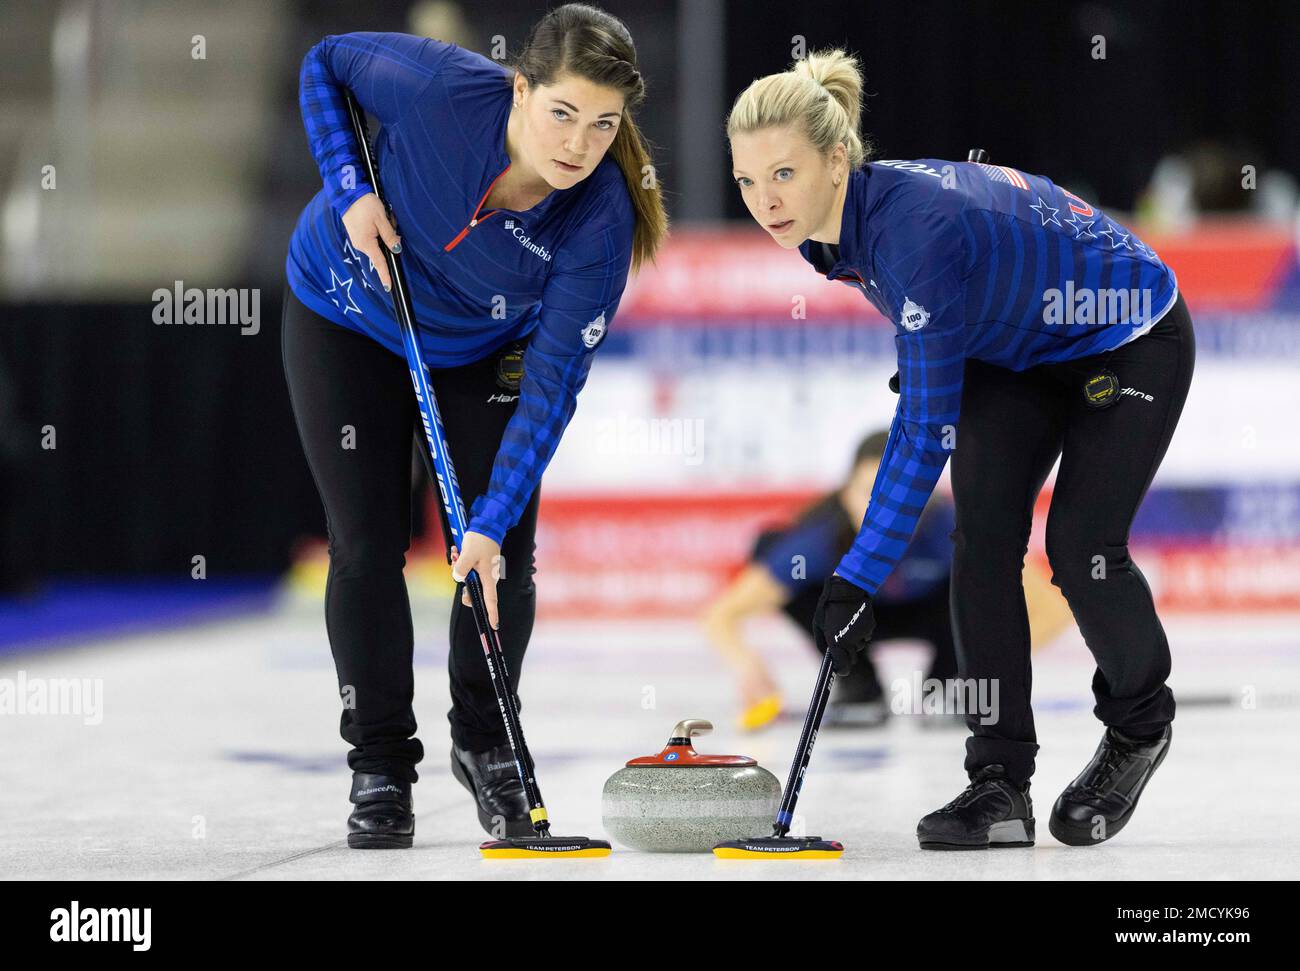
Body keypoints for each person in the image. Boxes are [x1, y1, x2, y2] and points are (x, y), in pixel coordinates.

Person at [726, 50, 1194, 849]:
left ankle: (1138, 726)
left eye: (783, 175)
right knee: (980, 544)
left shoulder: (916, 233)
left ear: (838, 161)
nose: (765, 201)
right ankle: (999, 782)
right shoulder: (832, 227)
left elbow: (924, 435)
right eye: (746, 182)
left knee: (1081, 546)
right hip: (1012, 348)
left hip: (1126, 333)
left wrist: (856, 576)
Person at [283, 4, 666, 848]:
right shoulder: (441, 89)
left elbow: (554, 387)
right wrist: (350, 189)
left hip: (483, 348)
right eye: (562, 112)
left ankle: (487, 741)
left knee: (503, 556)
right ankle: (380, 761)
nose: (578, 143)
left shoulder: (599, 224)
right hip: (344, 314)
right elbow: (325, 64)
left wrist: (489, 522)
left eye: (604, 125)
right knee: (368, 545)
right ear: (520, 88)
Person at [704, 431, 959, 731]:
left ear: (926, 497)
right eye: (870, 493)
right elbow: (721, 616)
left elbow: (1028, 604)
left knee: (981, 585)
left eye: (901, 495)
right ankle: (858, 683)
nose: (884, 512)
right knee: (797, 584)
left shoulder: (951, 525)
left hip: (933, 614)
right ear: (846, 494)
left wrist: (988, 669)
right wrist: (748, 667)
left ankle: (948, 682)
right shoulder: (818, 538)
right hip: (852, 621)